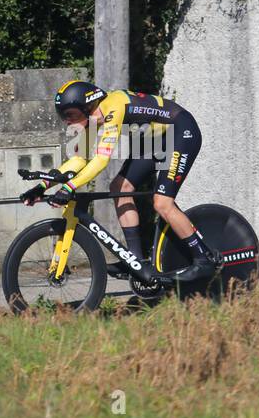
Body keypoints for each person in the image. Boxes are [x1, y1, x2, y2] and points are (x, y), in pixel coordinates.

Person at [20, 79, 221, 284]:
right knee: (120, 187)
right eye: (63, 116)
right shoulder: (94, 119)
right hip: (155, 142)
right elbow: (78, 160)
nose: (67, 121)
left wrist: (69, 187)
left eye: (70, 114)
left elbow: (101, 160)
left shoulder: (114, 107)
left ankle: (203, 259)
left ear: (88, 107)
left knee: (162, 202)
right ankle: (136, 261)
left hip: (181, 131)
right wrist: (41, 186)